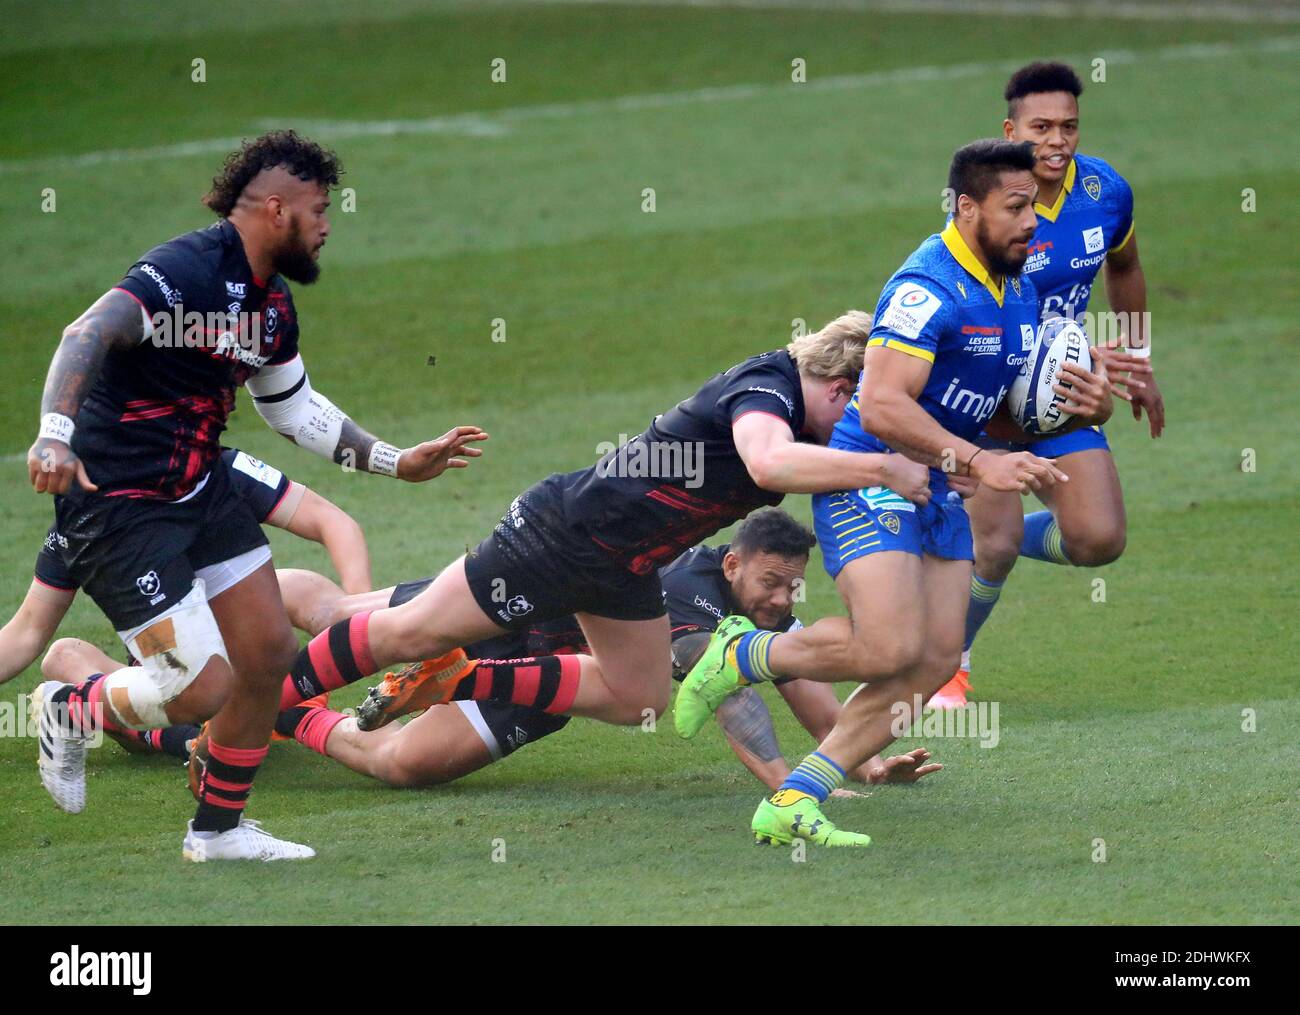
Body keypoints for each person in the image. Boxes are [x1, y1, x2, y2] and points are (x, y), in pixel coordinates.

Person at [25, 130, 485, 862]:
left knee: (269, 650)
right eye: (320, 208)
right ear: (277, 209)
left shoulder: (270, 307)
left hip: (199, 488)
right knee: (201, 689)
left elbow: (294, 410)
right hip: (118, 502)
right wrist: (54, 433)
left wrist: (399, 461)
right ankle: (69, 705)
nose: (329, 224)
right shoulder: (185, 271)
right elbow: (88, 331)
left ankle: (217, 831)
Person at [674, 139, 1114, 847]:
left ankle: (794, 797)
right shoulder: (925, 288)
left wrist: (1087, 406)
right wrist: (979, 459)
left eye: (1033, 205)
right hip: (872, 473)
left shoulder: (1018, 286)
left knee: (934, 658)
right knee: (886, 647)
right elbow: (879, 404)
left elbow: (1001, 405)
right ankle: (742, 655)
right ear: (967, 207)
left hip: (935, 483)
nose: (1033, 221)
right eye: (1016, 207)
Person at [273, 312, 933, 774]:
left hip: (619, 568)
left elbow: (786, 671)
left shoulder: (798, 430)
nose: (864, 435)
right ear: (843, 389)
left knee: (638, 696)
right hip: (563, 537)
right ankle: (253, 708)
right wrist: (883, 468)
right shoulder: (767, 387)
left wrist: (856, 759)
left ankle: (455, 677)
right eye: (864, 415)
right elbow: (766, 463)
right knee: (395, 632)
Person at [267, 509, 940, 791]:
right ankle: (231, 604)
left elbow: (818, 709)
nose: (782, 599)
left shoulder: (770, 615)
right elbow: (728, 694)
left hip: (531, 649)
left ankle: (286, 713)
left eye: (794, 586)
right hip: (525, 624)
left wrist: (868, 764)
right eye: (771, 582)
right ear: (732, 563)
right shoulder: (693, 595)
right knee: (336, 619)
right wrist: (789, 789)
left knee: (403, 762)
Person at [933, 61, 1160, 708]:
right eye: (1041, 128)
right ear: (1011, 129)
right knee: (994, 547)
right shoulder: (994, 204)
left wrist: (1135, 357)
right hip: (986, 382)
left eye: (1069, 127)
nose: (1057, 140)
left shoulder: (1106, 193)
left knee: (1098, 539)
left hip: (1056, 381)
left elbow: (1127, 263)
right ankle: (951, 663)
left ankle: (981, 532)